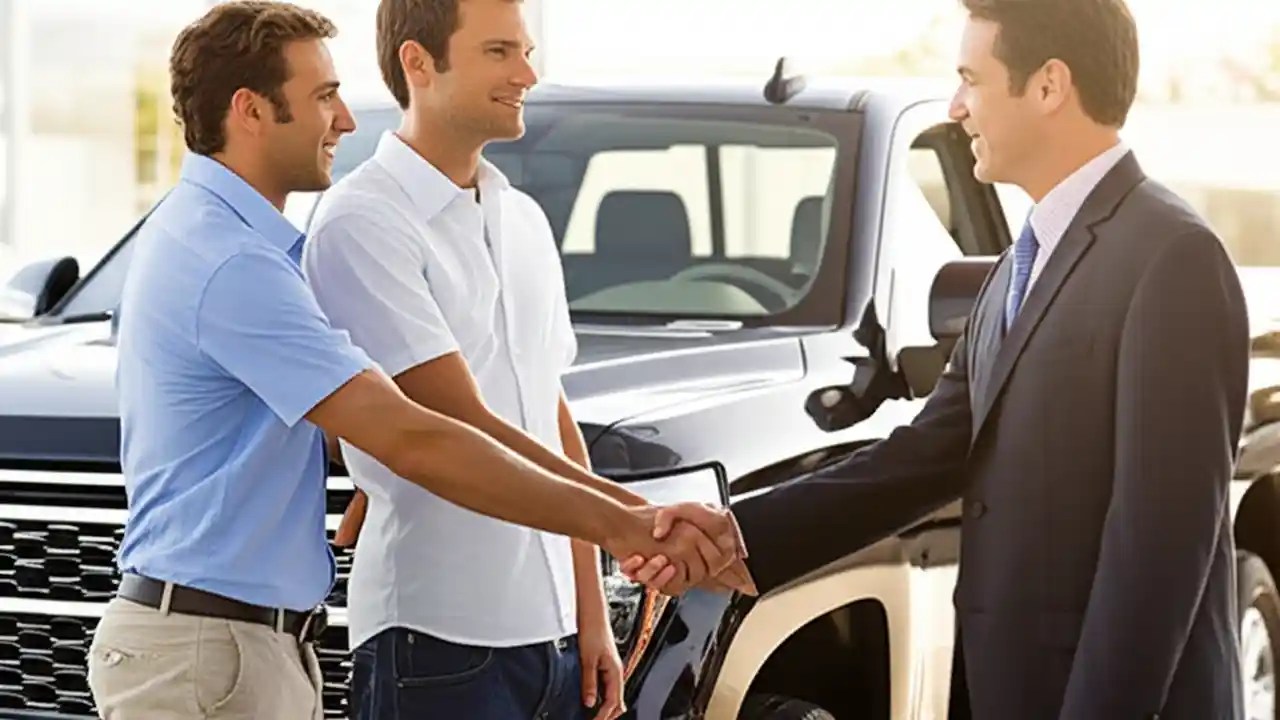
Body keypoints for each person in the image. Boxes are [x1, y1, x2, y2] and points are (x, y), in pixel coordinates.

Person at [86, 3, 745, 719]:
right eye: (323, 97)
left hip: (248, 646)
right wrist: (628, 522)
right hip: (224, 652)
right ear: (249, 110)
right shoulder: (237, 261)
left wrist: (365, 464)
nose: (344, 120)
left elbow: (405, 420)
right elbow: (417, 433)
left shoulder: (246, 249)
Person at [632, 0, 1251, 717]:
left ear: (1049, 86)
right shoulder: (1017, 267)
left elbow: (1161, 551)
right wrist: (736, 536)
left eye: (971, 79)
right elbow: (928, 455)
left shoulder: (1172, 258)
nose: (957, 107)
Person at [300, 2, 753, 718]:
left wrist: (591, 614)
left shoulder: (524, 219)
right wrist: (635, 517)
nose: (527, 74)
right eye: (500, 52)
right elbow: (457, 421)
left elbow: (552, 419)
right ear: (418, 63)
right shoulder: (363, 221)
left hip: (555, 642)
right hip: (436, 639)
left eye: (527, 51)